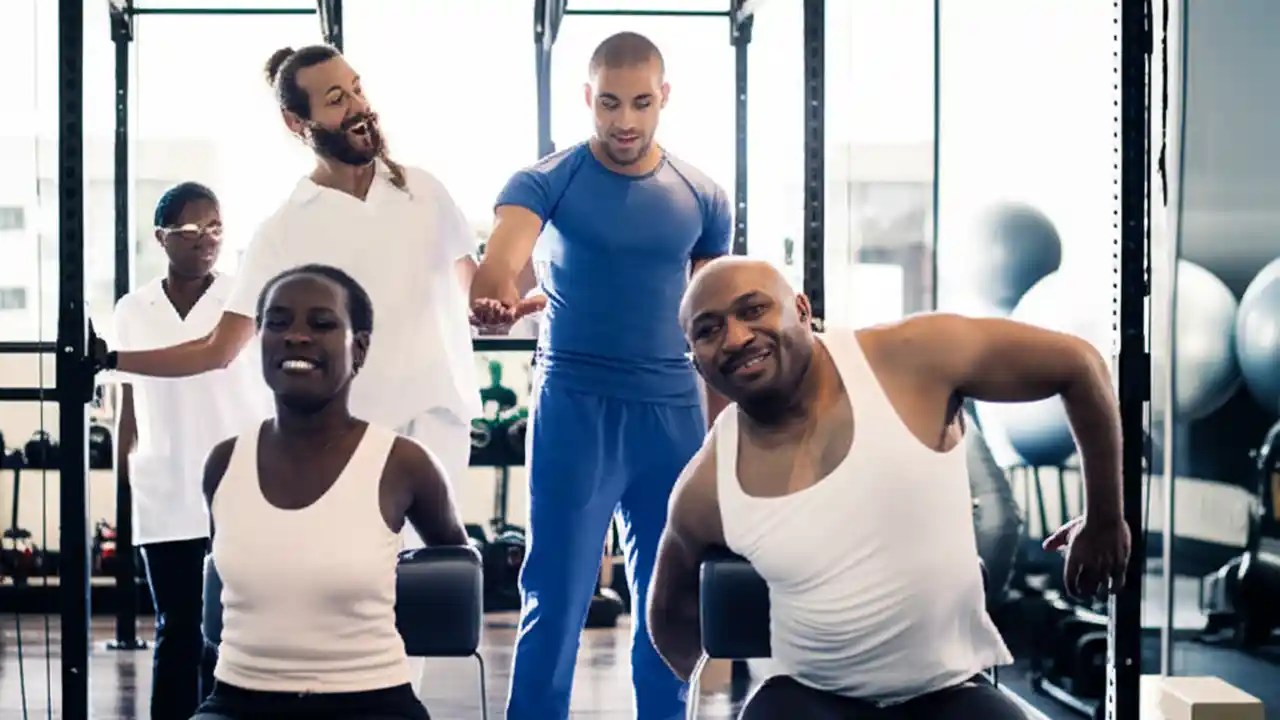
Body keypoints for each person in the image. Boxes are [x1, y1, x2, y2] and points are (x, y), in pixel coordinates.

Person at [648, 257, 1133, 719]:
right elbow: (669, 613)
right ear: (696, 361)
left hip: (949, 693)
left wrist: (1106, 518)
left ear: (802, 310)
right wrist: (694, 686)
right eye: (709, 331)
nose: (735, 337)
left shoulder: (910, 358)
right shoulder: (707, 486)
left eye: (753, 310)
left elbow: (1078, 364)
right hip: (810, 700)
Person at [87, 44, 480, 540]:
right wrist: (112, 358)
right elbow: (219, 348)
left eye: (357, 88)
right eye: (337, 98)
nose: (357, 105)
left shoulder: (424, 190)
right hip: (355, 443)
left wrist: (501, 298)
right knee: (367, 598)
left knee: (441, 588)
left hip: (440, 423)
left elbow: (476, 291)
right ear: (298, 123)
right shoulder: (284, 228)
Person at [469, 31, 732, 720]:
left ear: (664, 98)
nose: (624, 121)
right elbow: (502, 261)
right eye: (609, 103)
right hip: (574, 405)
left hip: (671, 408)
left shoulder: (703, 196)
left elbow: (712, 322)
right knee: (555, 595)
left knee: (667, 596)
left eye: (641, 103)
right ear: (588, 98)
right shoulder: (544, 180)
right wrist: (495, 293)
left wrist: (728, 432)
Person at [191, 264, 468, 720]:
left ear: (357, 348)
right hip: (238, 701)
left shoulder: (404, 465)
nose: (297, 336)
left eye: (321, 324)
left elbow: (456, 571)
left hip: (372, 703)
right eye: (277, 322)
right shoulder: (223, 464)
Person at [110, 182, 270, 720]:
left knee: (230, 629)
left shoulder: (243, 298)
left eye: (216, 229)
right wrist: (125, 474)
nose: (206, 239)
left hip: (237, 485)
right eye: (191, 229)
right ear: (161, 237)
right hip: (167, 488)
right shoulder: (133, 309)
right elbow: (127, 404)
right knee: (176, 626)